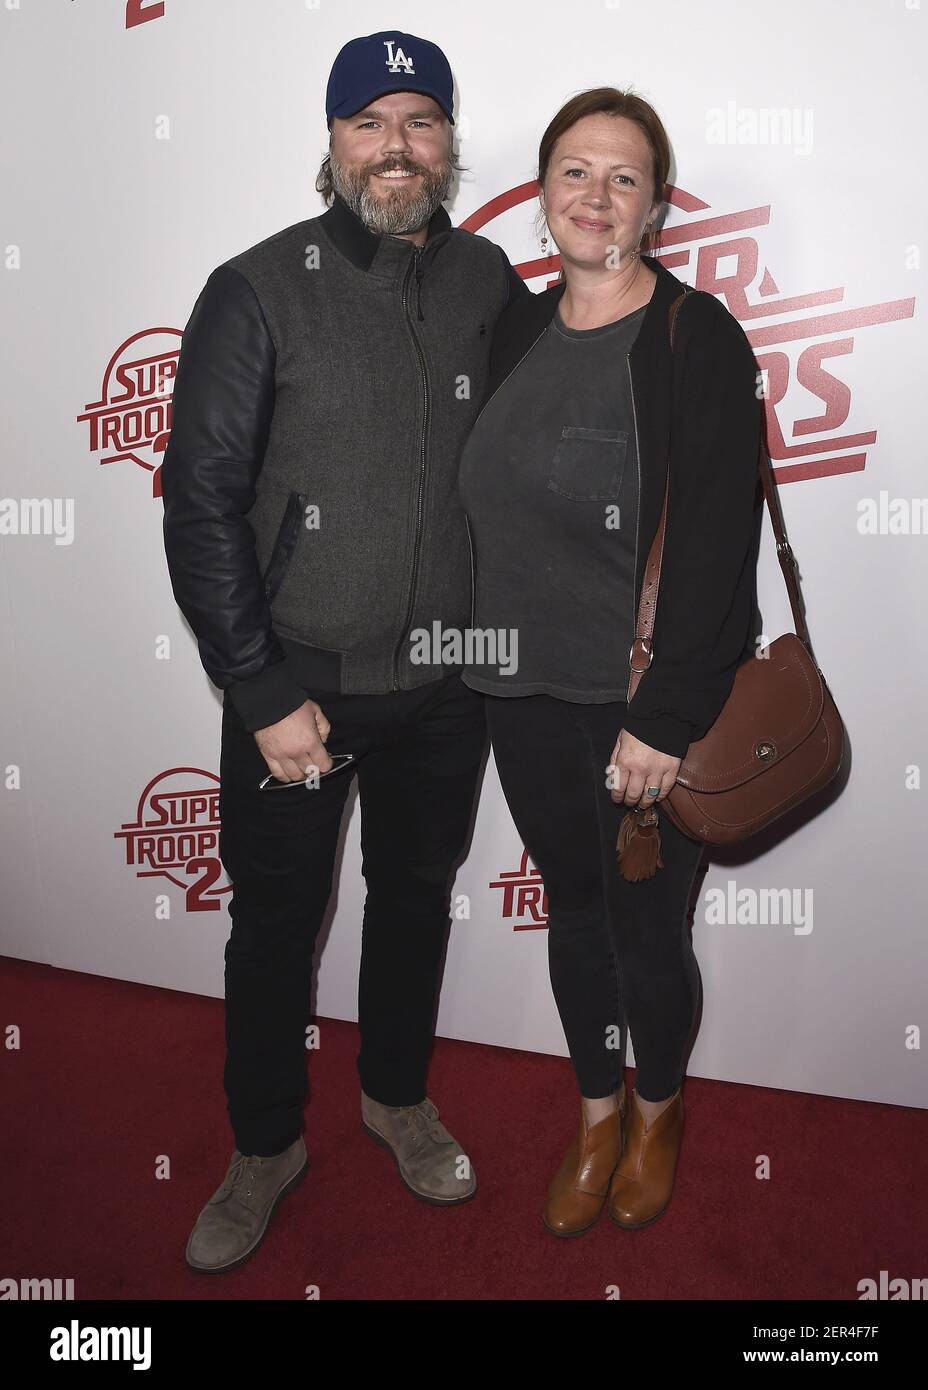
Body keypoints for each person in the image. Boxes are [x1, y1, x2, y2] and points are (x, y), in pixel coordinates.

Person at [161, 29, 528, 1273]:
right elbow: (200, 502)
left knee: (414, 900)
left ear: (449, 143)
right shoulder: (258, 286)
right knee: (274, 923)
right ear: (331, 143)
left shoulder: (487, 279)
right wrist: (261, 689)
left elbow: (556, 429)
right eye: (369, 122)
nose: (396, 145)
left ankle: (392, 1094)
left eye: (420, 120)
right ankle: (265, 1144)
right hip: (294, 686)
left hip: (444, 683)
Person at [459, 87, 762, 1236]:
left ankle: (660, 1105)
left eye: (622, 176)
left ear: (656, 206)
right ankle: (596, 1112)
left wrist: (666, 718)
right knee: (573, 919)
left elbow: (716, 552)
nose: (595, 196)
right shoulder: (513, 329)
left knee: (644, 932)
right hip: (519, 698)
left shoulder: (695, 338)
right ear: (541, 195)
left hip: (639, 713)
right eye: (574, 171)